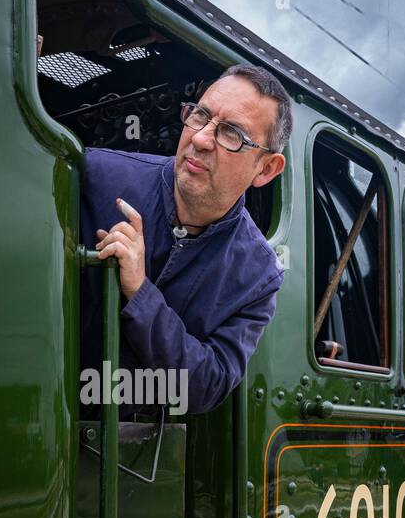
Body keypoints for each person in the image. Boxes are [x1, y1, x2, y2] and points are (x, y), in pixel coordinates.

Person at [79, 63, 290, 417]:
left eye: (231, 134)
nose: (201, 138)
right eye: (200, 115)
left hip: (130, 460)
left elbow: (207, 386)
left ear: (266, 169)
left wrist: (140, 294)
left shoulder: (258, 275)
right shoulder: (94, 175)